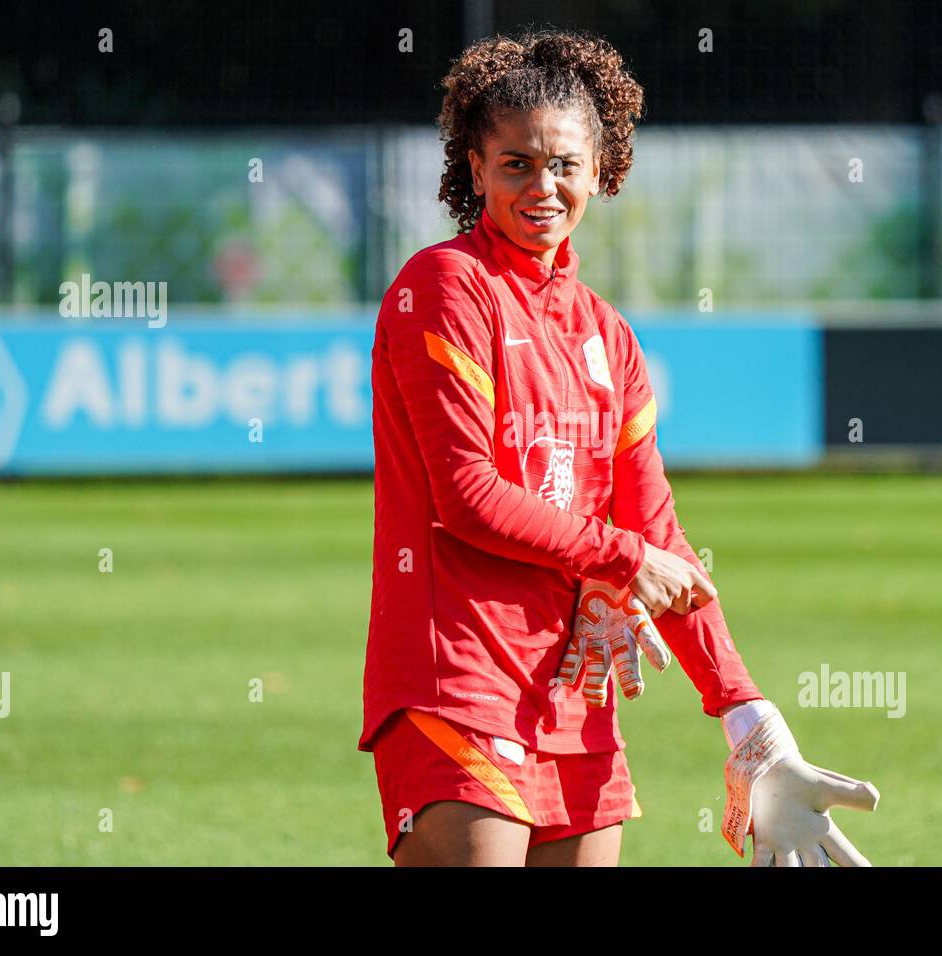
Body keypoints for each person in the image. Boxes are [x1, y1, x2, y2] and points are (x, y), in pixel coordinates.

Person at [360, 28, 879, 866]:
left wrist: (744, 714)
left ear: (602, 170)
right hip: (456, 680)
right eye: (516, 163)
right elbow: (467, 495)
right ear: (474, 169)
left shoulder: (611, 335)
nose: (544, 185)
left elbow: (657, 533)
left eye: (565, 163)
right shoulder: (445, 287)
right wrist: (621, 557)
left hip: (576, 692)